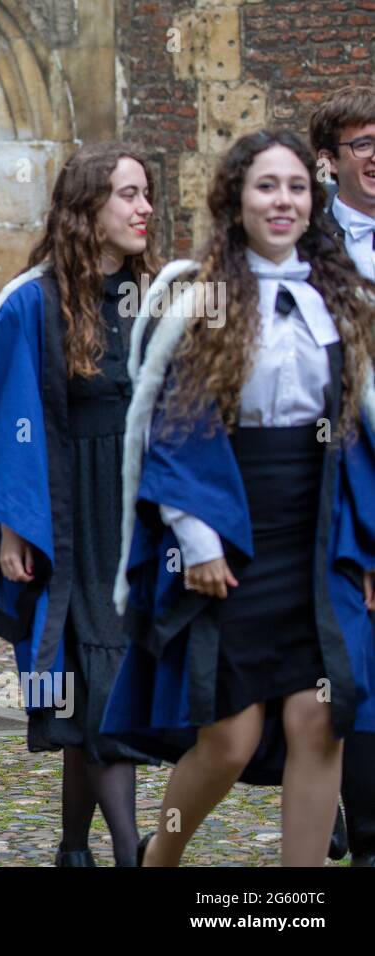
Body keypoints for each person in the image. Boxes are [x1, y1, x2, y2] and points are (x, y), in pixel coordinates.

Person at [102, 130, 375, 866]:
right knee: (230, 736)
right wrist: (196, 537)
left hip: (316, 536)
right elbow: (176, 423)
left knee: (322, 715)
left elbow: (359, 431)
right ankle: (161, 857)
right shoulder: (203, 298)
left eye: (294, 186)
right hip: (232, 530)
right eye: (265, 186)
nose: (281, 200)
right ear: (236, 199)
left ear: (311, 198)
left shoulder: (344, 299)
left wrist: (369, 541)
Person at [0, 144, 161, 865]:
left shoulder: (156, 299)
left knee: (88, 681)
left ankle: (73, 847)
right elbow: (5, 415)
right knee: (98, 682)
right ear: (86, 208)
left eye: (147, 195)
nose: (144, 209)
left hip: (137, 518)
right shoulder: (31, 303)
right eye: (128, 195)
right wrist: (12, 522)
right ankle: (133, 853)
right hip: (64, 515)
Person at [311, 84, 375, 868]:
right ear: (330, 160)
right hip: (337, 467)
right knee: (347, 660)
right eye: (362, 142)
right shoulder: (307, 246)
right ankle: (358, 829)